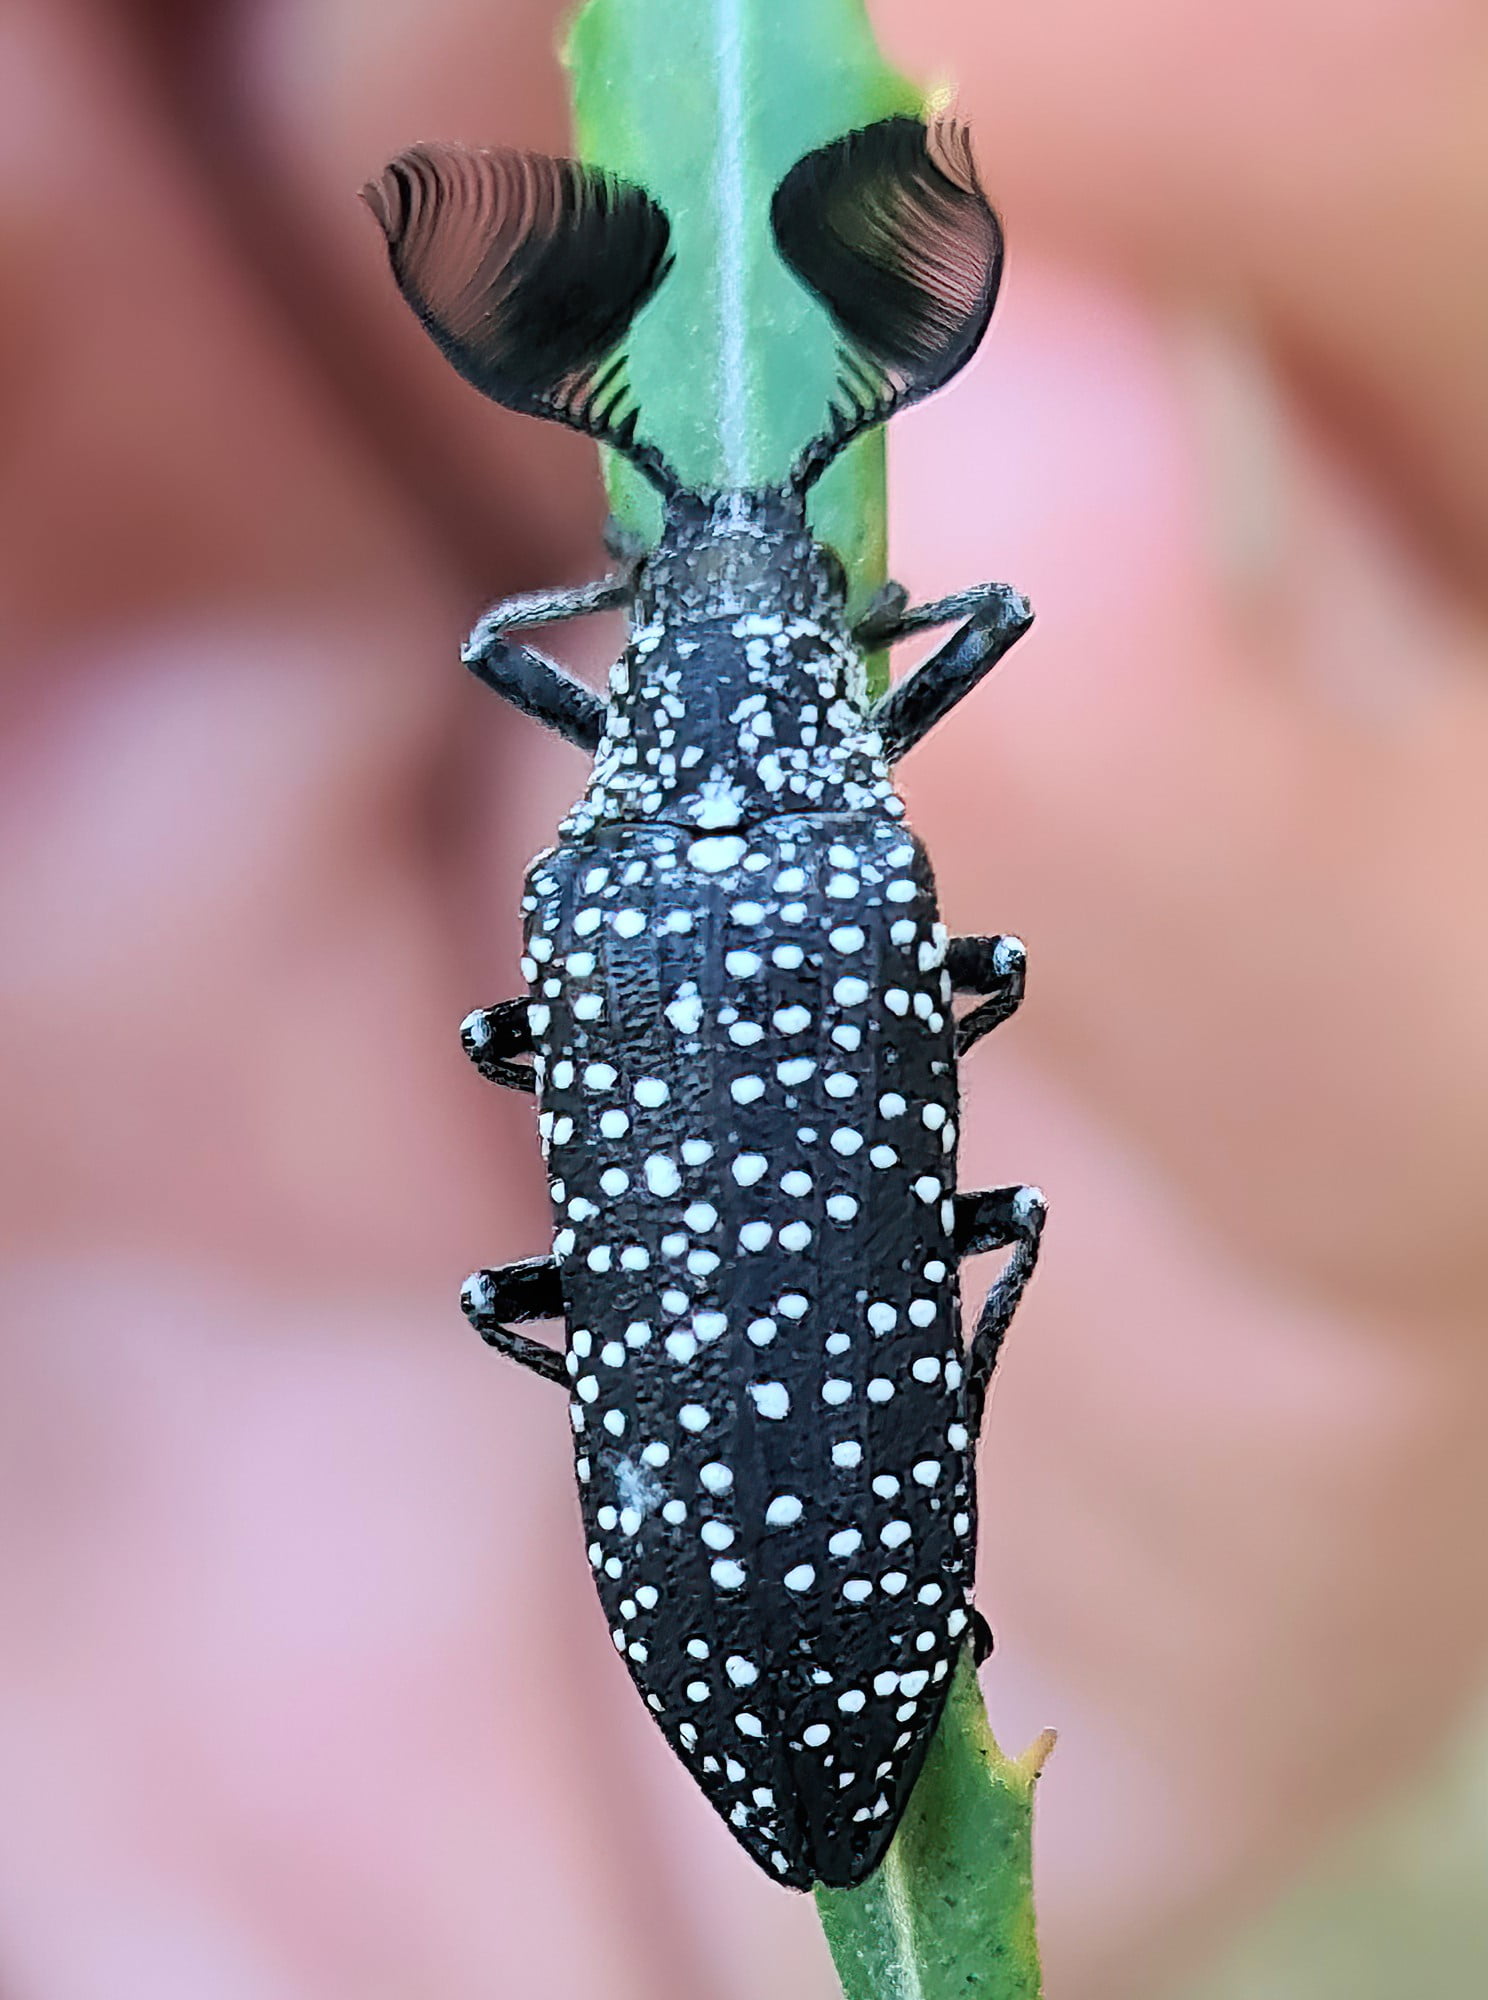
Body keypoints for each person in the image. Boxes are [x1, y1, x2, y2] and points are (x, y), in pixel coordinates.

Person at [1, 2, 1484, 1994]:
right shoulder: (835, 874)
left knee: (826, 1194)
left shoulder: (599, 902)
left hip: (752, 1564)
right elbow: (983, 631)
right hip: (781, 1545)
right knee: (979, 1146)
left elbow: (518, 648)